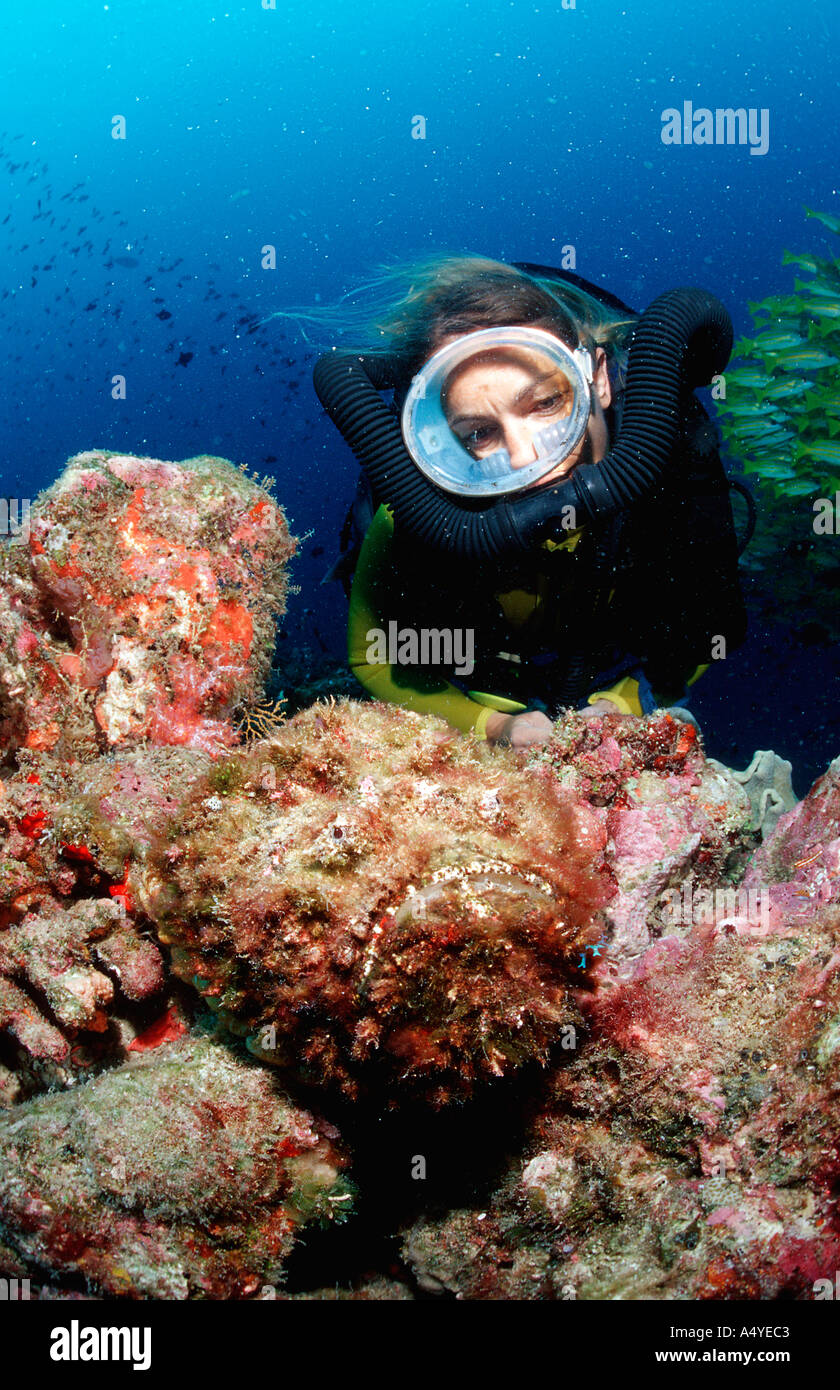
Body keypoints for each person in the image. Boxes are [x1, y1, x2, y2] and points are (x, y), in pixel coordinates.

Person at [311, 256, 749, 749]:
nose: (525, 457)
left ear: (599, 378)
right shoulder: (423, 512)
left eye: (545, 403)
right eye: (479, 432)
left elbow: (712, 630)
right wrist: (494, 727)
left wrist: (624, 703)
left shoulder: (670, 463)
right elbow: (378, 657)